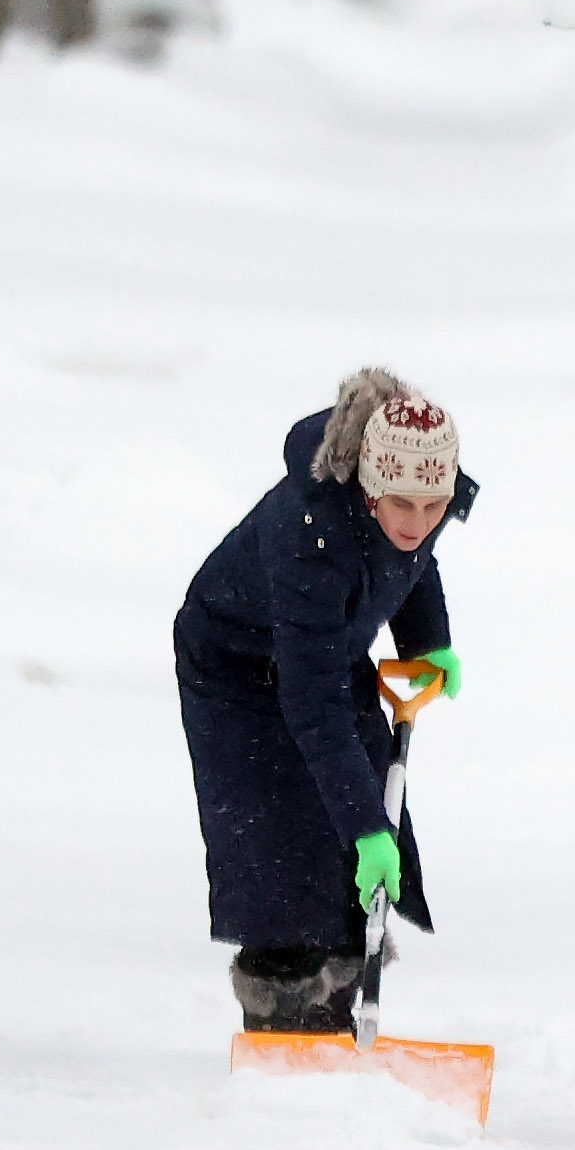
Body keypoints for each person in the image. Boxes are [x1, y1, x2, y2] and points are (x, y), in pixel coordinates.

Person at [175, 369, 472, 1034]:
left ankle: (334, 1017)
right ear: (369, 489)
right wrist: (370, 828)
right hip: (235, 665)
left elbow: (415, 562)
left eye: (435, 507)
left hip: (319, 653)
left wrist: (428, 644)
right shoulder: (307, 534)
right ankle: (282, 1020)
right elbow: (314, 708)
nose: (419, 522)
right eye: (404, 506)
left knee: (345, 833)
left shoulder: (413, 491)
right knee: (279, 841)